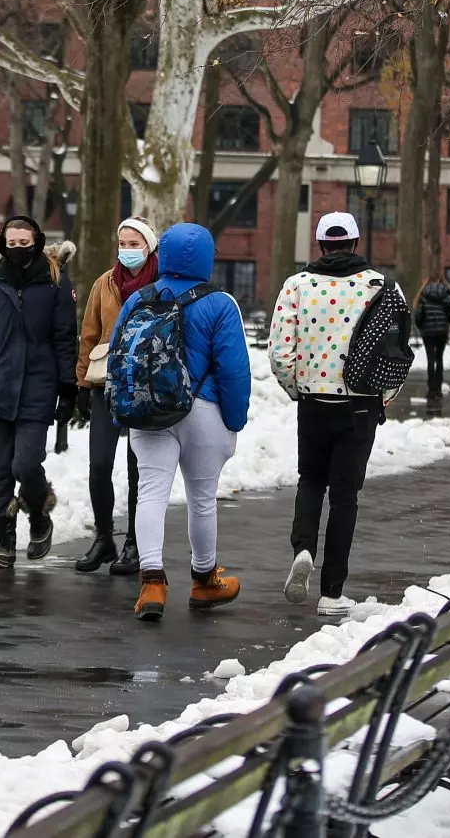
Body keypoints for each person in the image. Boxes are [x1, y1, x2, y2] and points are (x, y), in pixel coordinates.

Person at [113, 222, 253, 620]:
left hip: (149, 410)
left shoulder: (139, 298)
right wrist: (235, 419)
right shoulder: (220, 303)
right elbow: (233, 370)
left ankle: (152, 583)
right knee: (203, 500)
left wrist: (121, 412)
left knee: (151, 493)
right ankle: (205, 580)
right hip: (202, 410)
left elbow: (119, 358)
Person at [268, 211, 403, 619]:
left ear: (321, 244)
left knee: (311, 479)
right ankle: (332, 592)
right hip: (360, 405)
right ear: (357, 243)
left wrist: (297, 388)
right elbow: (396, 350)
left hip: (314, 402)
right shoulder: (382, 286)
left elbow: (279, 352)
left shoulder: (296, 286)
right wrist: (384, 395)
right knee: (346, 497)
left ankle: (303, 549)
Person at [0, 215, 79, 570]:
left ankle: (40, 519)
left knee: (25, 464)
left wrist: (67, 390)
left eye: (24, 244)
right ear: (3, 244)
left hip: (37, 390)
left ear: (37, 242)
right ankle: (4, 542)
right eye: (12, 244)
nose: (18, 250)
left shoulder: (57, 285)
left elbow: (64, 341)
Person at [73, 217, 158, 575]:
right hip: (105, 384)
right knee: (100, 465)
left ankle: (135, 544)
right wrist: (80, 382)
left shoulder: (162, 285)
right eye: (122, 243)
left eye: (134, 243)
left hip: (145, 386)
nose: (127, 250)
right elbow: (89, 334)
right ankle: (103, 537)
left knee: (138, 468)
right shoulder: (104, 284)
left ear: (149, 247)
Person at [413, 277, 450, 406]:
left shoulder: (423, 295)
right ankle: (438, 389)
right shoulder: (446, 294)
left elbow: (418, 315)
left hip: (427, 333)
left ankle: (431, 389)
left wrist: (421, 326)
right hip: (442, 332)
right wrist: (446, 322)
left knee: (430, 359)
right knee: (439, 359)